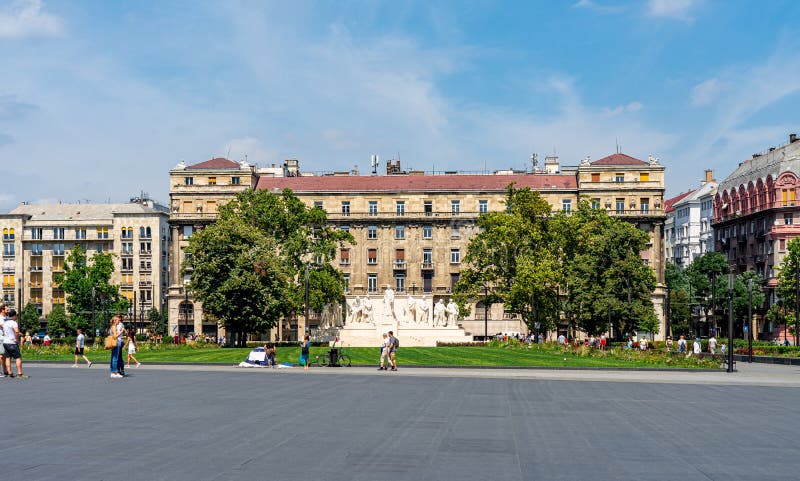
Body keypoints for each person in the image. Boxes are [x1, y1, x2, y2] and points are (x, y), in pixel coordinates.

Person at [2, 309, 28, 379]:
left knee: (8, 357)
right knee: (18, 357)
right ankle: (19, 374)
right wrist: (16, 339)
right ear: (14, 316)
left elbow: (5, 332)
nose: (16, 317)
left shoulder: (5, 323)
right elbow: (16, 331)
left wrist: (18, 334)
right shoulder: (14, 323)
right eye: (16, 315)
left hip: (5, 342)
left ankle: (9, 372)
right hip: (12, 343)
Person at [0, 303, 7, 377]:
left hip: (5, 338)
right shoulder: (0, 318)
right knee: (1, 355)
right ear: (2, 310)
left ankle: (5, 370)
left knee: (4, 355)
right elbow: (4, 326)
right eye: (7, 309)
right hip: (1, 338)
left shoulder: (6, 318)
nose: (8, 310)